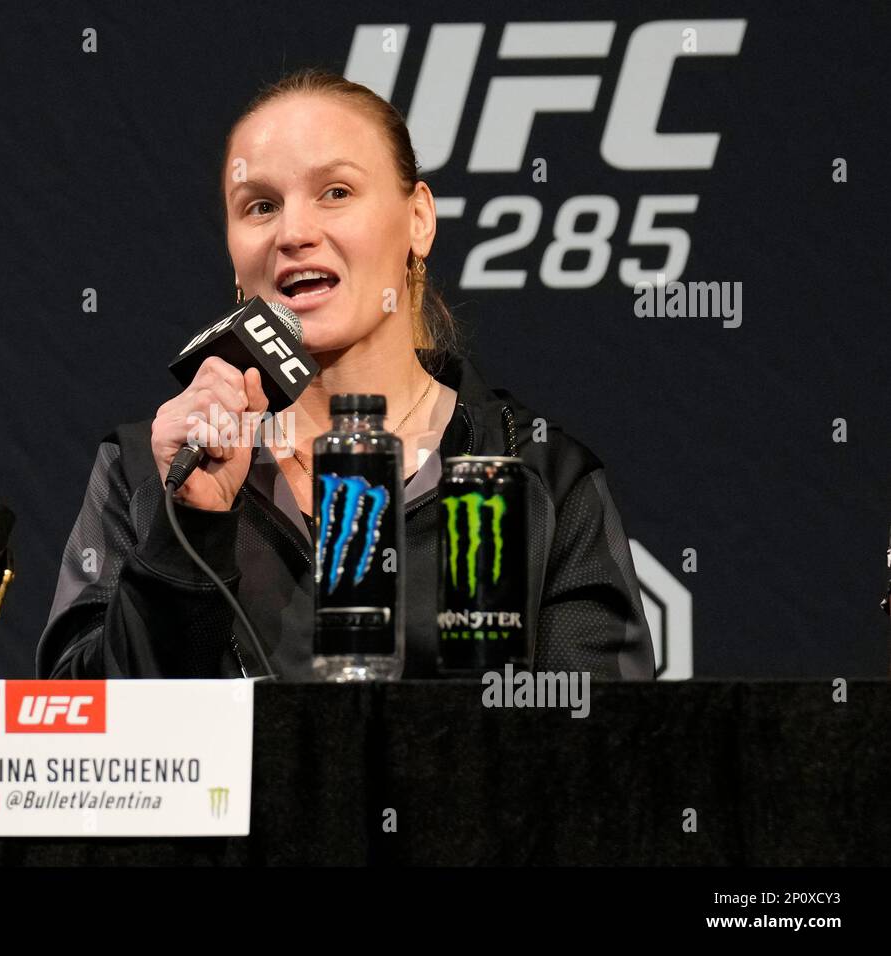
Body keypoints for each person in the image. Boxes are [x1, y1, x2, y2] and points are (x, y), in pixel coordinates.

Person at [37, 68, 654, 680]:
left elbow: (601, 756)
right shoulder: (148, 472)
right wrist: (190, 529)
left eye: (336, 192)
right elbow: (92, 751)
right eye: (260, 206)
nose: (294, 233)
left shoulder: (538, 472)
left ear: (418, 220)